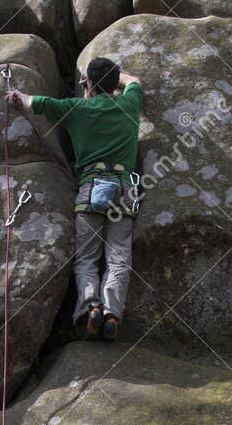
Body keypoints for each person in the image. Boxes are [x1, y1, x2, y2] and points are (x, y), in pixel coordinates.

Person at [10, 56, 142, 342]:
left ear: (89, 83)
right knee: (118, 257)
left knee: (87, 258)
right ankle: (112, 313)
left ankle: (91, 305)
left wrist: (18, 95)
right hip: (123, 189)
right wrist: (110, 79)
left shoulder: (76, 109)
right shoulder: (129, 104)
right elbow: (133, 82)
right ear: (114, 82)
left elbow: (35, 102)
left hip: (92, 188)